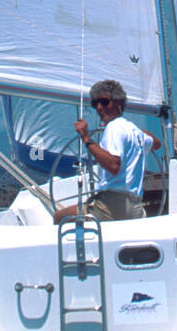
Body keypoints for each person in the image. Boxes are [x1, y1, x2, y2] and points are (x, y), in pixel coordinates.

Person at [52, 78, 162, 224]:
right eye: (94, 103)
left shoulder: (113, 127)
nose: (99, 107)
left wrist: (85, 137)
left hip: (110, 207)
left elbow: (113, 165)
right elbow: (157, 144)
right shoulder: (133, 131)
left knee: (60, 217)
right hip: (135, 207)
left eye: (104, 102)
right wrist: (137, 131)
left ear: (118, 102)